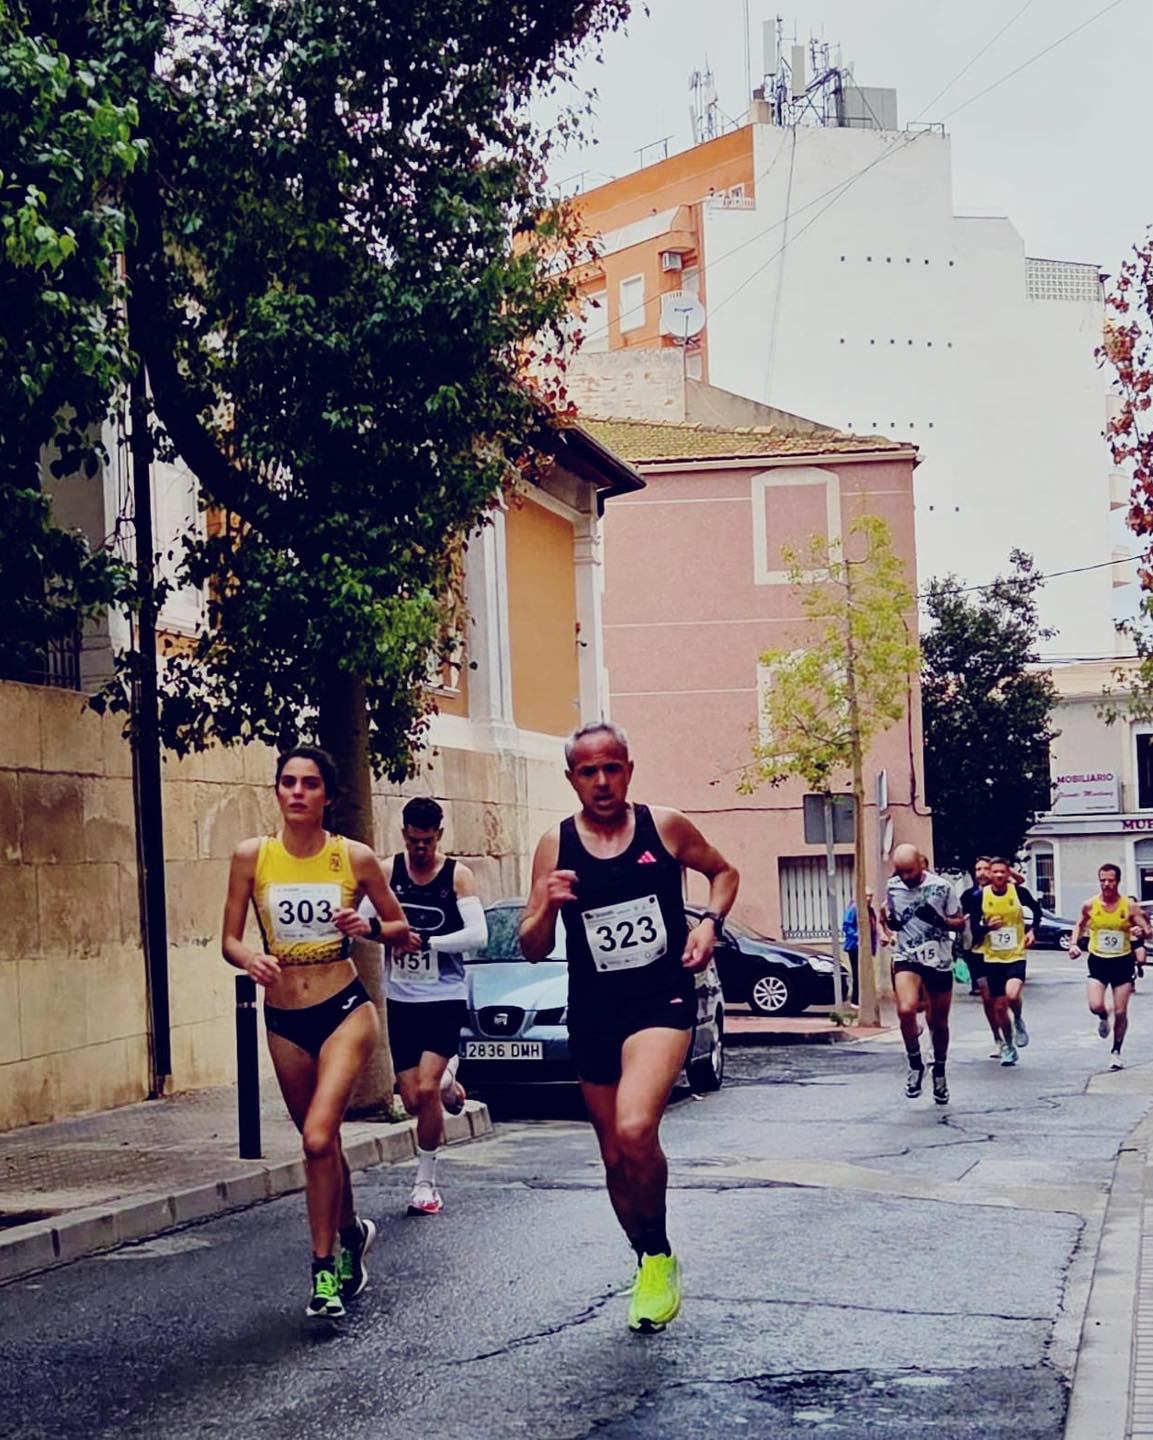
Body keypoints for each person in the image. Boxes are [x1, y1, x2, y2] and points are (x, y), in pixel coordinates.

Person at [520, 721, 739, 1334]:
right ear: (571, 780)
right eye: (587, 772)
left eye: (611, 768)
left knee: (636, 1126)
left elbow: (723, 872)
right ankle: (649, 1259)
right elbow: (533, 947)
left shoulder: (663, 826)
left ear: (629, 770)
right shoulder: (554, 845)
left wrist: (708, 924)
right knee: (615, 1156)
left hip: (659, 1000)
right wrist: (544, 906)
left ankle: (661, 1250)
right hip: (593, 1008)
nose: (601, 781)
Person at [222, 746, 416, 1322]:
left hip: (344, 1008)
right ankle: (352, 1231)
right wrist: (249, 959)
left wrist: (369, 925)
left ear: (327, 796)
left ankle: (323, 1270)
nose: (298, 792)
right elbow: (228, 938)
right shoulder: (251, 857)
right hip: (283, 1016)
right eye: (288, 782)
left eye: (310, 783)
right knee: (323, 1142)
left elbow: (401, 928)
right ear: (277, 792)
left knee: (314, 1137)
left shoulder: (352, 858)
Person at [340, 797, 487, 1216]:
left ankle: (426, 1183)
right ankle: (448, 1087)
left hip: (445, 995)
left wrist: (427, 942)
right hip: (402, 998)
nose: (420, 848)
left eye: (427, 841)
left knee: (423, 1090)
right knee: (412, 1097)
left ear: (439, 835)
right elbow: (368, 924)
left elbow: (478, 934)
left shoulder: (457, 876)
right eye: (412, 840)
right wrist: (385, 935)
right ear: (402, 834)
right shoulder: (389, 872)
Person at [880, 844, 965, 1106]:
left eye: (910, 871)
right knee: (906, 1010)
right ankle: (915, 1063)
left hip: (938, 959)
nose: (905, 877)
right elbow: (893, 920)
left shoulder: (942, 887)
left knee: (938, 1023)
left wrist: (939, 921)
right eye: (901, 871)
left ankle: (939, 1071)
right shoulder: (893, 886)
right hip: (908, 956)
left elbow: (960, 923)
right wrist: (888, 922)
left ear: (921, 865)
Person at [1068, 864, 1147, 1070]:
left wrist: (1141, 932)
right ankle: (1103, 1017)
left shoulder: (1129, 906)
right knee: (1095, 1005)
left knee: (1120, 1011)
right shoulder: (1090, 905)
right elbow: (1079, 925)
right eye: (1102, 880)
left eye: (1110, 880)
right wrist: (1074, 944)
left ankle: (1116, 1051)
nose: (1106, 884)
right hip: (1098, 960)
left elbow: (1148, 930)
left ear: (1118, 881)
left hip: (1122, 961)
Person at [969, 858, 1041, 1066]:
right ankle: (1009, 1046)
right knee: (999, 1007)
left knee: (1012, 994)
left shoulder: (1018, 893)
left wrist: (1032, 931)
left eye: (1003, 872)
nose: (999, 876)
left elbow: (1036, 910)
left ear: (1008, 873)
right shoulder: (980, 896)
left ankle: (1018, 1018)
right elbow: (973, 928)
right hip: (992, 957)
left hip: (1016, 954)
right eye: (995, 872)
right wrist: (987, 928)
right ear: (989, 875)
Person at [959, 858, 998, 1037]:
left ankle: (1009, 1027)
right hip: (978, 949)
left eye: (985, 869)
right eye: (978, 869)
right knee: (987, 997)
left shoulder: (1005, 892)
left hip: (1002, 951)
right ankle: (998, 1038)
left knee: (1003, 999)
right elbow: (964, 921)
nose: (981, 873)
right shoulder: (969, 896)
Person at [841, 890, 877, 1007]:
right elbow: (846, 925)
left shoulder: (870, 910)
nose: (869, 898)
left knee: (865, 974)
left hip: (866, 947)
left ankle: (863, 999)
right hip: (855, 947)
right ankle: (855, 1000)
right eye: (866, 895)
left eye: (870, 896)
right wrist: (859, 937)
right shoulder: (854, 908)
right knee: (858, 973)